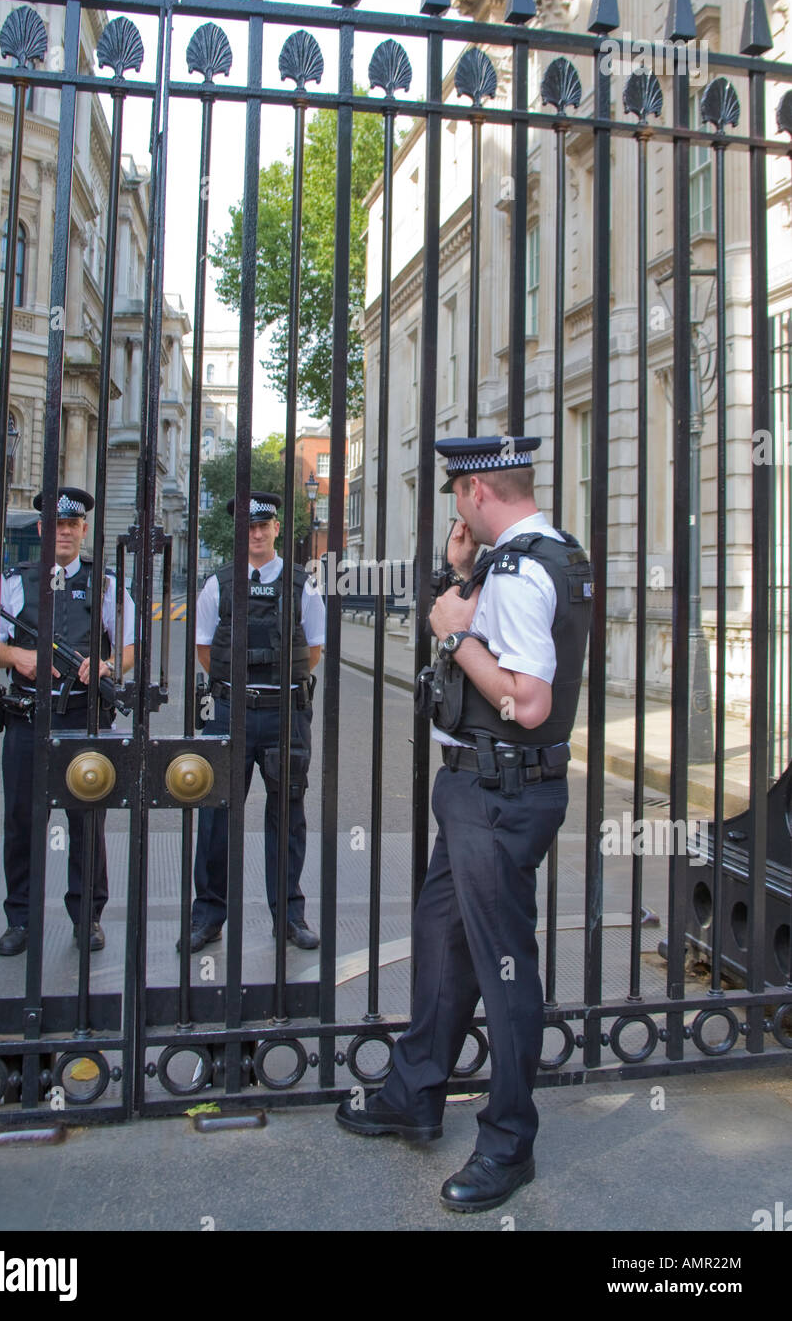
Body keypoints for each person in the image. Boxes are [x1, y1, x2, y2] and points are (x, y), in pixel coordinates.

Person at [336, 435, 592, 1214]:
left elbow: (527, 699)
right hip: (490, 794)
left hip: (496, 796)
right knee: (444, 942)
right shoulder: (553, 552)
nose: (454, 507)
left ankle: (508, 1142)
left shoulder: (516, 573)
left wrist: (454, 630)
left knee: (504, 967)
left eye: (456, 494)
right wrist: (459, 578)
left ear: (480, 493)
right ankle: (413, 1093)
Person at [0, 487, 136, 957]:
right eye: (56, 525)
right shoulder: (14, 581)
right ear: (44, 530)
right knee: (23, 822)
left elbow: (130, 645)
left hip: (85, 719)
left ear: (82, 530)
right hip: (28, 718)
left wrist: (107, 666)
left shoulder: (104, 583)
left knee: (87, 822)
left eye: (73, 524)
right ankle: (20, 919)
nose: (64, 532)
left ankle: (87, 917)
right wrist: (19, 656)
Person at [186, 492, 325, 953]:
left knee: (287, 817)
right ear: (240, 532)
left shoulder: (303, 584)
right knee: (215, 818)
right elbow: (206, 650)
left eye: (264, 525)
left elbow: (314, 651)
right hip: (231, 713)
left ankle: (289, 916)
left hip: (286, 714)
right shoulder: (218, 585)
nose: (257, 533)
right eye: (249, 527)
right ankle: (208, 917)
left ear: (277, 528)